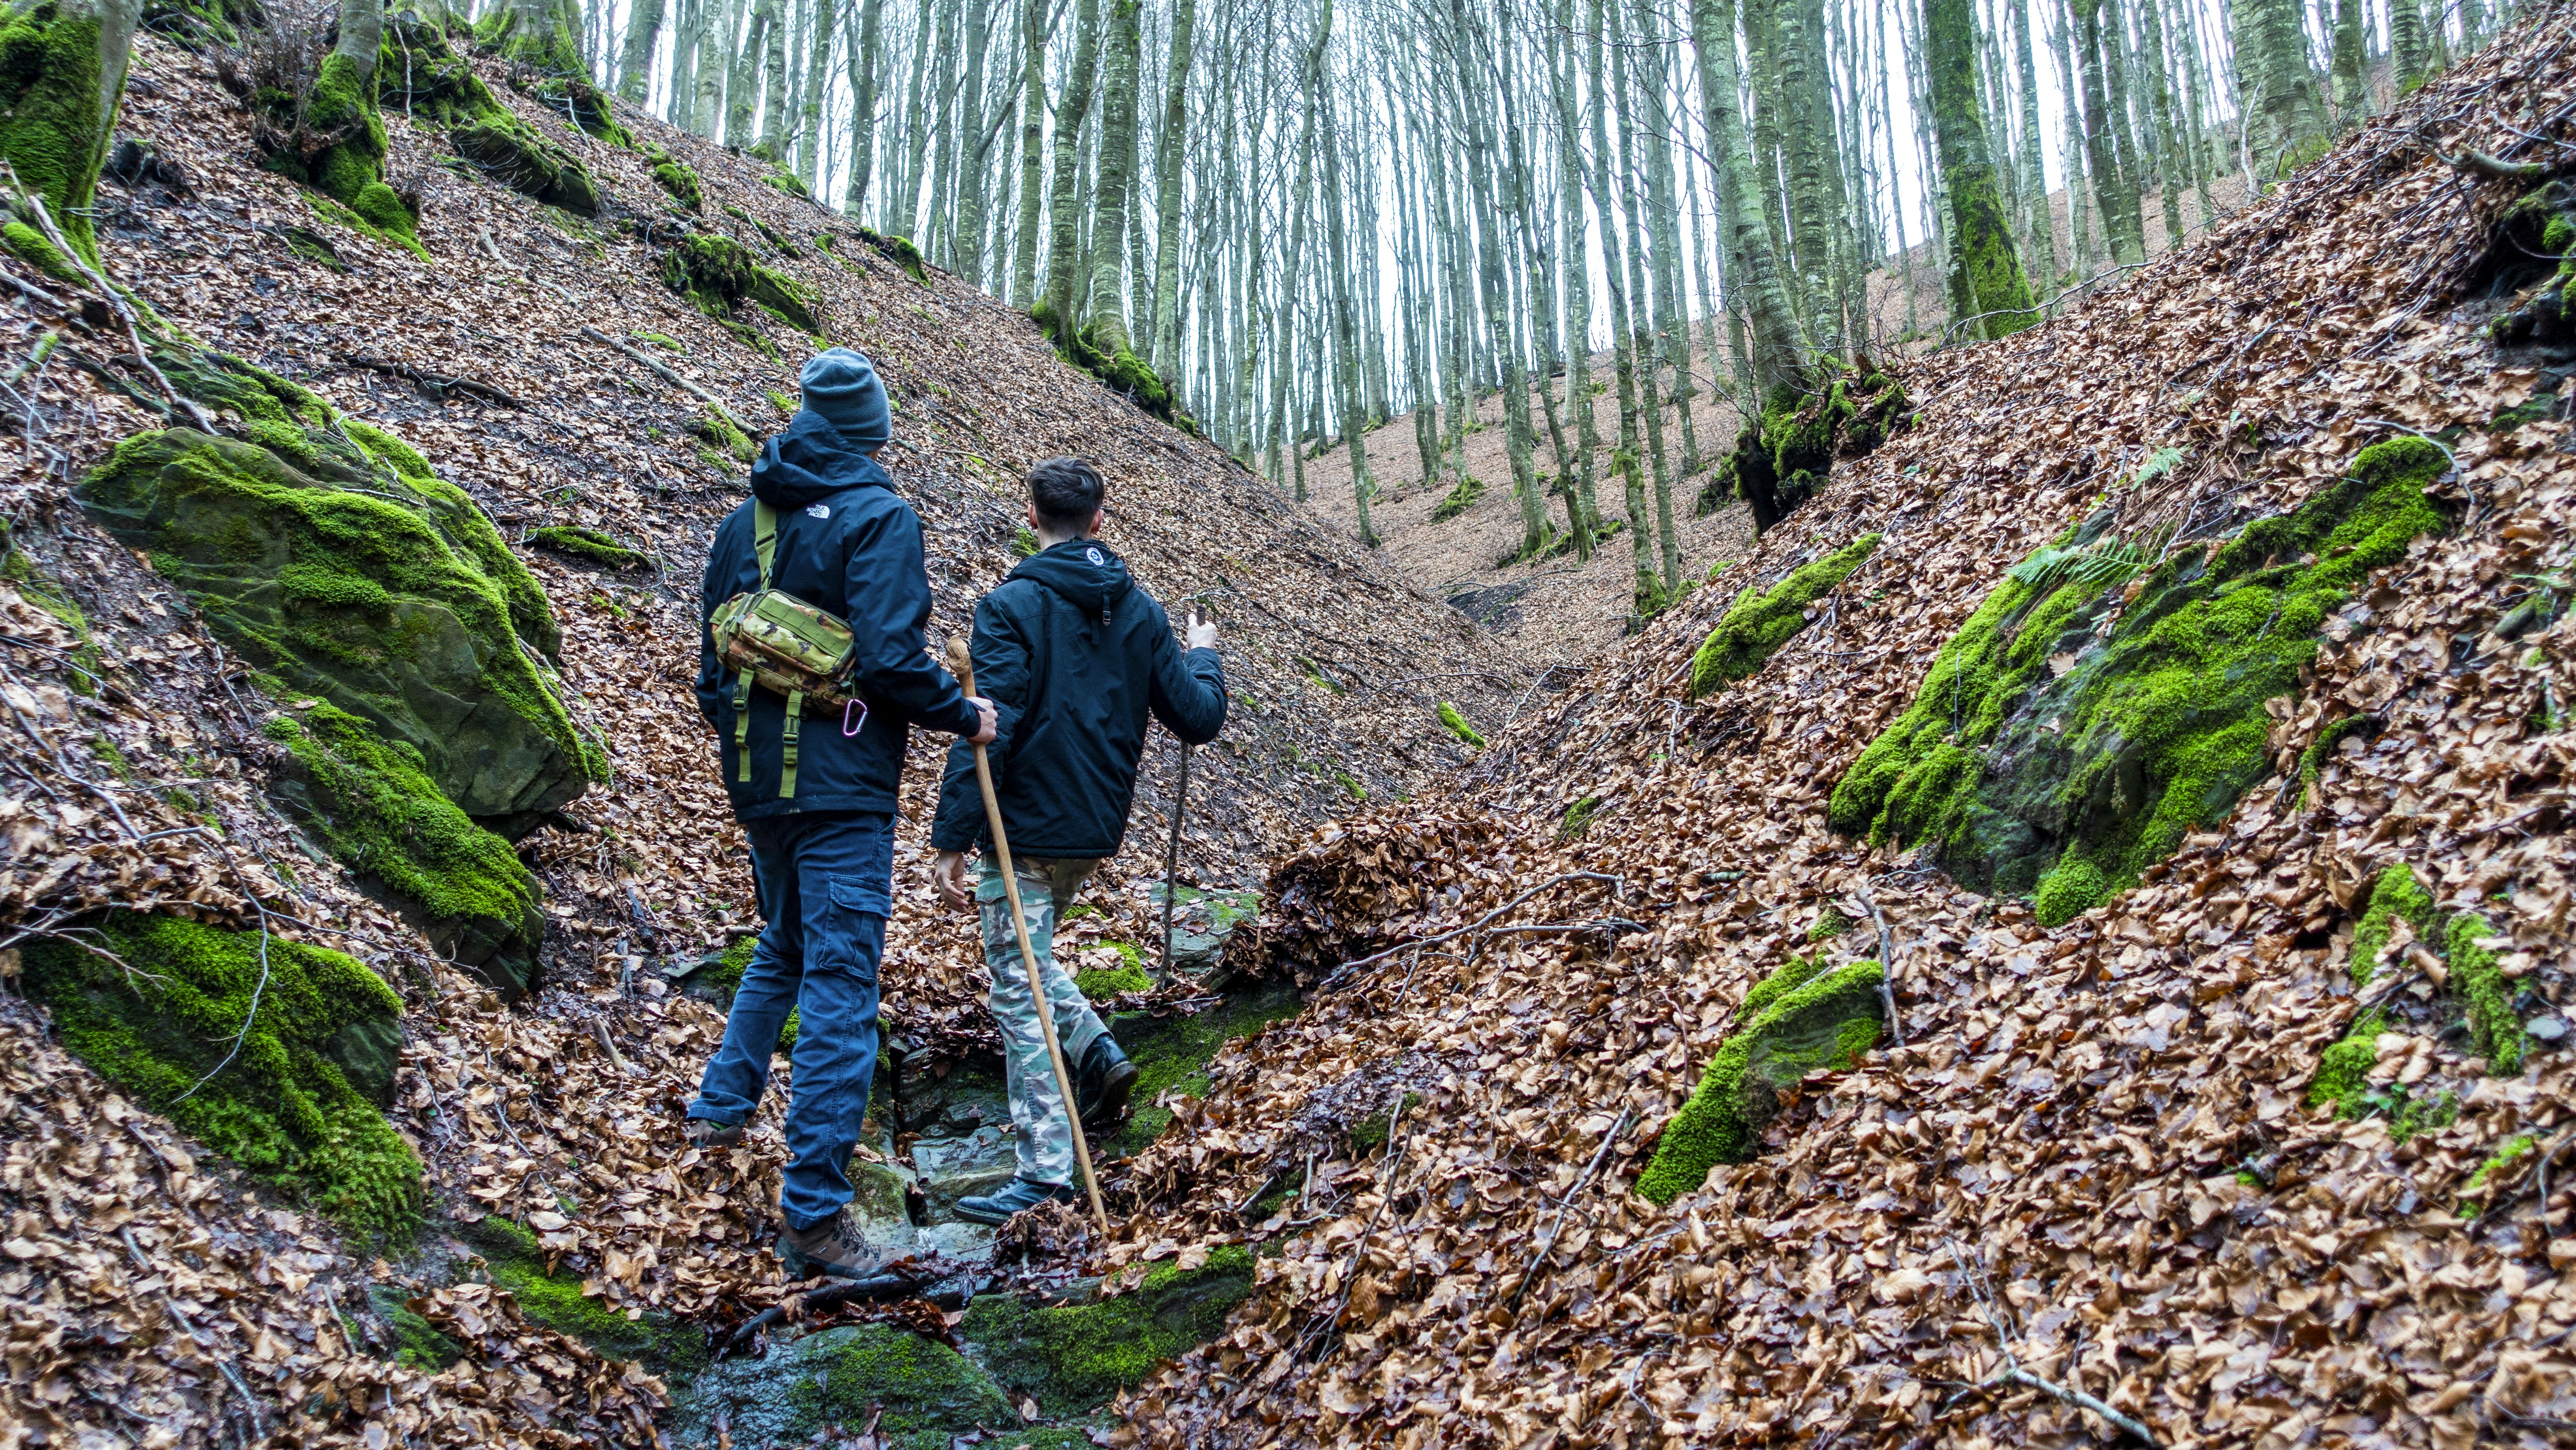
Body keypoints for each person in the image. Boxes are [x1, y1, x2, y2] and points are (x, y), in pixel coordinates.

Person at [686, 346, 998, 1280]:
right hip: (844, 789)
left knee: (782, 941)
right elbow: (898, 664)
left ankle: (717, 1112)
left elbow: (712, 675)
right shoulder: (878, 515)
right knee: (839, 983)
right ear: (873, 434)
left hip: (759, 784)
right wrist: (964, 712)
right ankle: (817, 1215)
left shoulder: (745, 522)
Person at [928, 456, 1225, 1224]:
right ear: (1099, 520)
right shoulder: (1143, 611)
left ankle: (1044, 1175)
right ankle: (1097, 1052)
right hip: (1093, 830)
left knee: (1017, 983)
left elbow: (993, 725)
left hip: (1022, 824)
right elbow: (1198, 716)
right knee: (1030, 958)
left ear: (1033, 518)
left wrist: (954, 833)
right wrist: (1205, 654)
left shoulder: (1011, 605)